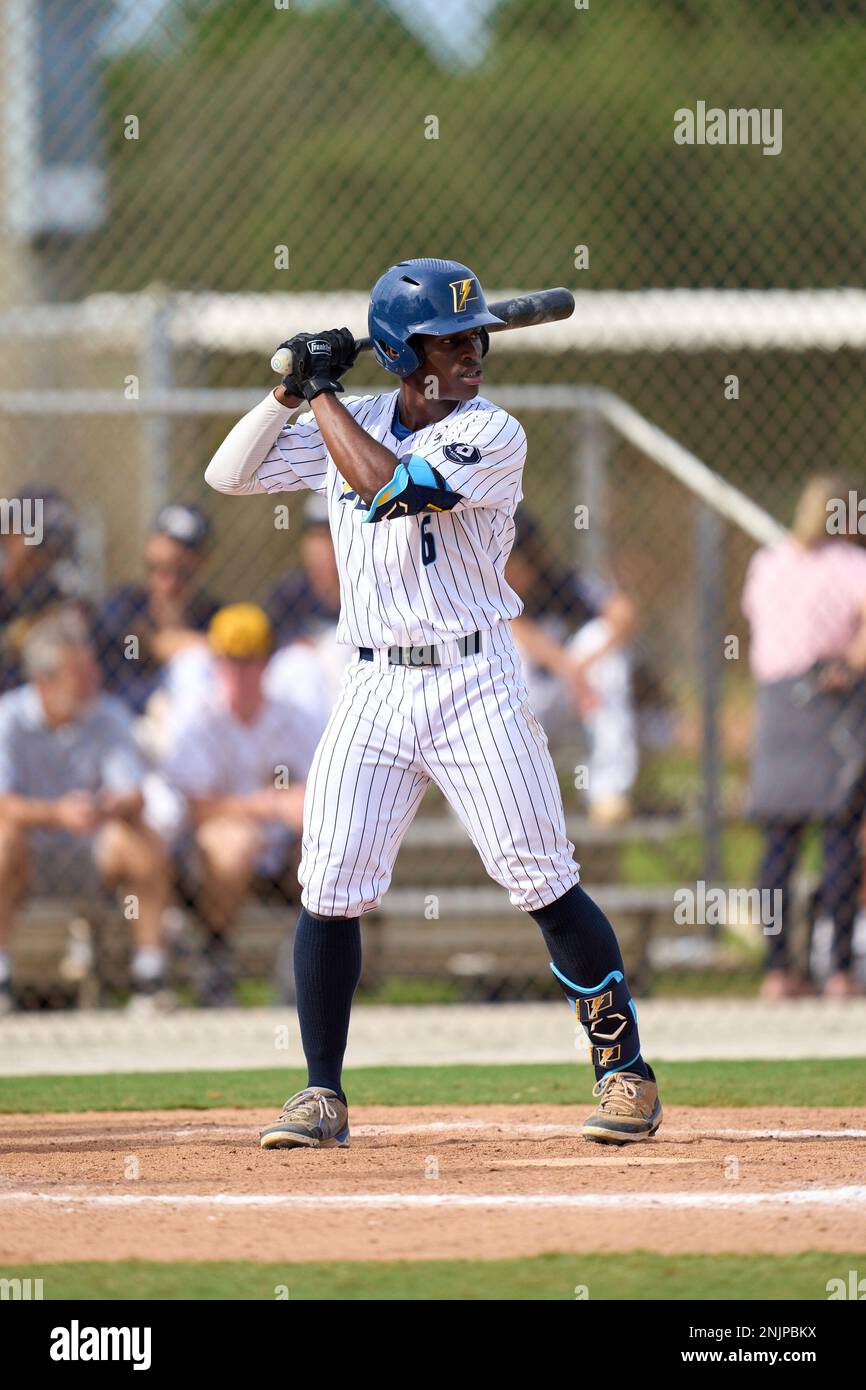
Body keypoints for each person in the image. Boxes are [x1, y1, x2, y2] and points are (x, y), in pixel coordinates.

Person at [206, 257, 663, 1149]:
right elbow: (230, 475)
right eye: (450, 341)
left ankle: (626, 1076)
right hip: (371, 680)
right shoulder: (357, 416)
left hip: (474, 680)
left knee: (542, 877)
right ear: (400, 352)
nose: (473, 352)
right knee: (329, 884)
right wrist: (287, 389)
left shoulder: (494, 432)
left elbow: (389, 488)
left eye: (474, 336)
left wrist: (326, 392)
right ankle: (321, 1093)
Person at [0, 610, 172, 1013]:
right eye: (78, 672)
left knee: (141, 836)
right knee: (2, 837)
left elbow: (135, 795)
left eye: (90, 667)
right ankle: (1, 976)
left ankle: (151, 976)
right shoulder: (8, 718)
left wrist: (110, 805)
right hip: (30, 855)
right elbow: (3, 803)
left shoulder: (107, 713)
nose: (92, 679)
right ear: (45, 681)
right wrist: (56, 814)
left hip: (93, 851)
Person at [743, 475, 866, 1000]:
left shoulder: (767, 563)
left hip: (776, 704)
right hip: (831, 701)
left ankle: (777, 969)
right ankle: (837, 970)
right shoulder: (852, 566)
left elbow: (759, 624)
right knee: (839, 837)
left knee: (779, 845)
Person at [163, 604, 322, 1006]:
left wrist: (299, 802)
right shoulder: (198, 717)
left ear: (265, 663)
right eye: (231, 661)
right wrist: (266, 805)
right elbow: (198, 808)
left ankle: (304, 960)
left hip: (284, 849)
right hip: (214, 856)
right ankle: (215, 955)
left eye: (249, 661)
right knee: (235, 843)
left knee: (334, 835)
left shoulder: (292, 716)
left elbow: (323, 787)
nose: (241, 673)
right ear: (216, 663)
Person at [505, 509, 638, 824]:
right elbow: (513, 629)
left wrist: (582, 665)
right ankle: (507, 799)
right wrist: (568, 667)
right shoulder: (486, 592)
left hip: (581, 698)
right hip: (526, 701)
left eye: (511, 559)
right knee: (507, 651)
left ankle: (608, 792)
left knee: (604, 645)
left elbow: (623, 613)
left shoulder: (562, 584)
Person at [94, 503, 220, 714]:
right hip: (128, 720)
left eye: (182, 573)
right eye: (157, 569)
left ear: (202, 565)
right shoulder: (125, 606)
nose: (167, 584)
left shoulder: (212, 616)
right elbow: (145, 641)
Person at [0, 486, 78, 694]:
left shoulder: (56, 601)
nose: (44, 563)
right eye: (40, 548)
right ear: (9, 535)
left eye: (55, 553)